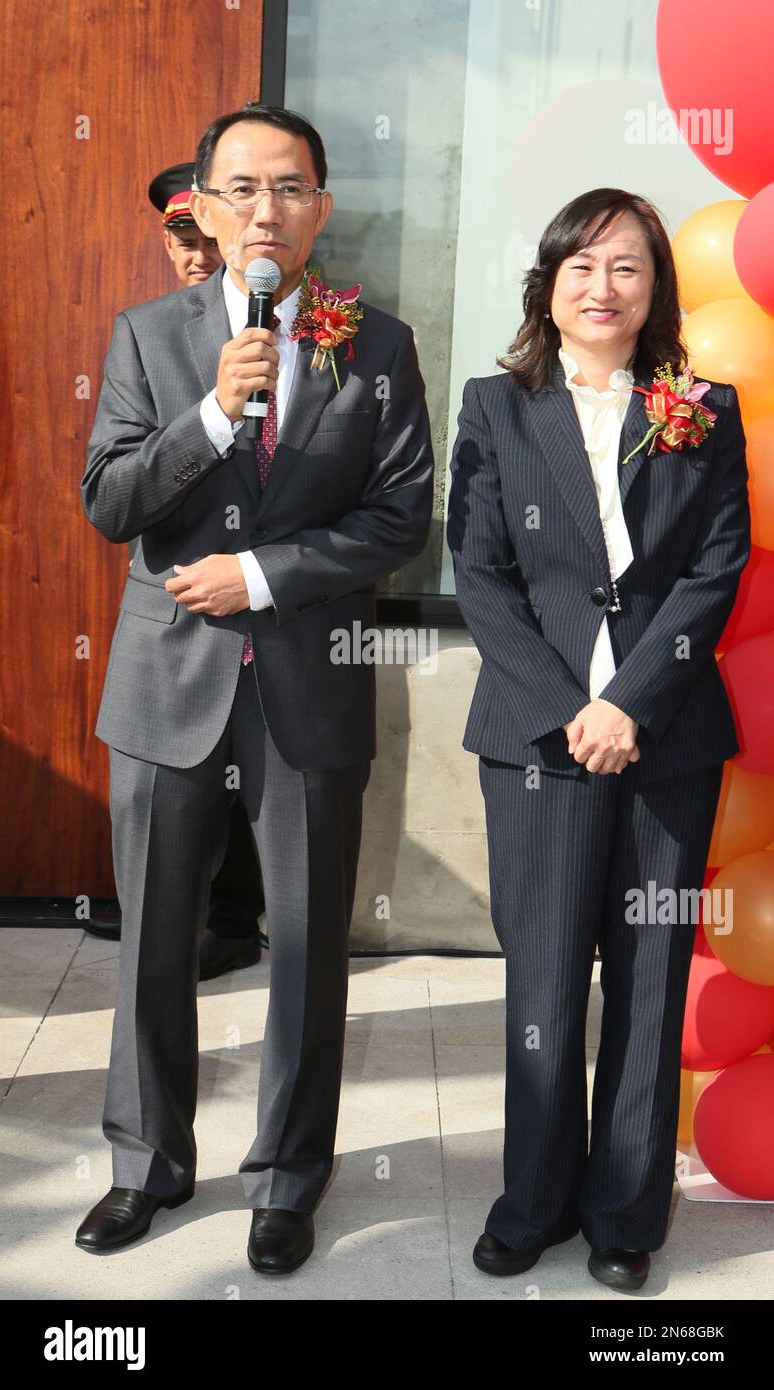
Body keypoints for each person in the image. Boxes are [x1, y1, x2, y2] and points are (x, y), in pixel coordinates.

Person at [75, 102, 434, 1274]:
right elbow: (112, 500)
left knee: (307, 946)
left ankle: (288, 1179)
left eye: (289, 187)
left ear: (319, 207)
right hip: (165, 689)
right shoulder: (145, 335)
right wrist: (215, 413)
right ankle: (145, 1164)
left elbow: (397, 516)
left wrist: (266, 575)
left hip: (306, 685)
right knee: (153, 944)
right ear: (207, 209)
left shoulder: (376, 345)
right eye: (242, 188)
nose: (265, 209)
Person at [447, 188, 750, 1293]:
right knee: (542, 982)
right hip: (535, 742)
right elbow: (480, 574)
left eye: (627, 267)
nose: (603, 286)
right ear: (550, 284)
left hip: (665, 739)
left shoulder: (701, 408)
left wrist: (628, 701)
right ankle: (532, 1199)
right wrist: (570, 707)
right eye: (583, 265)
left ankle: (626, 1207)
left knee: (650, 972)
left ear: (655, 288)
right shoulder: (494, 405)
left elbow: (715, 568)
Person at [150, 162, 266, 982]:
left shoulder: (304, 329)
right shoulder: (150, 336)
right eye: (179, 237)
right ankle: (184, 927)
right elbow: (116, 490)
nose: (195, 254)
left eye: (205, 235)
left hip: (290, 624)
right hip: (183, 630)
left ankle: (235, 922)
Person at [148, 162, 223, 287]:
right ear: (169, 245)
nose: (200, 259)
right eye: (187, 244)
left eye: (214, 243)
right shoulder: (157, 308)